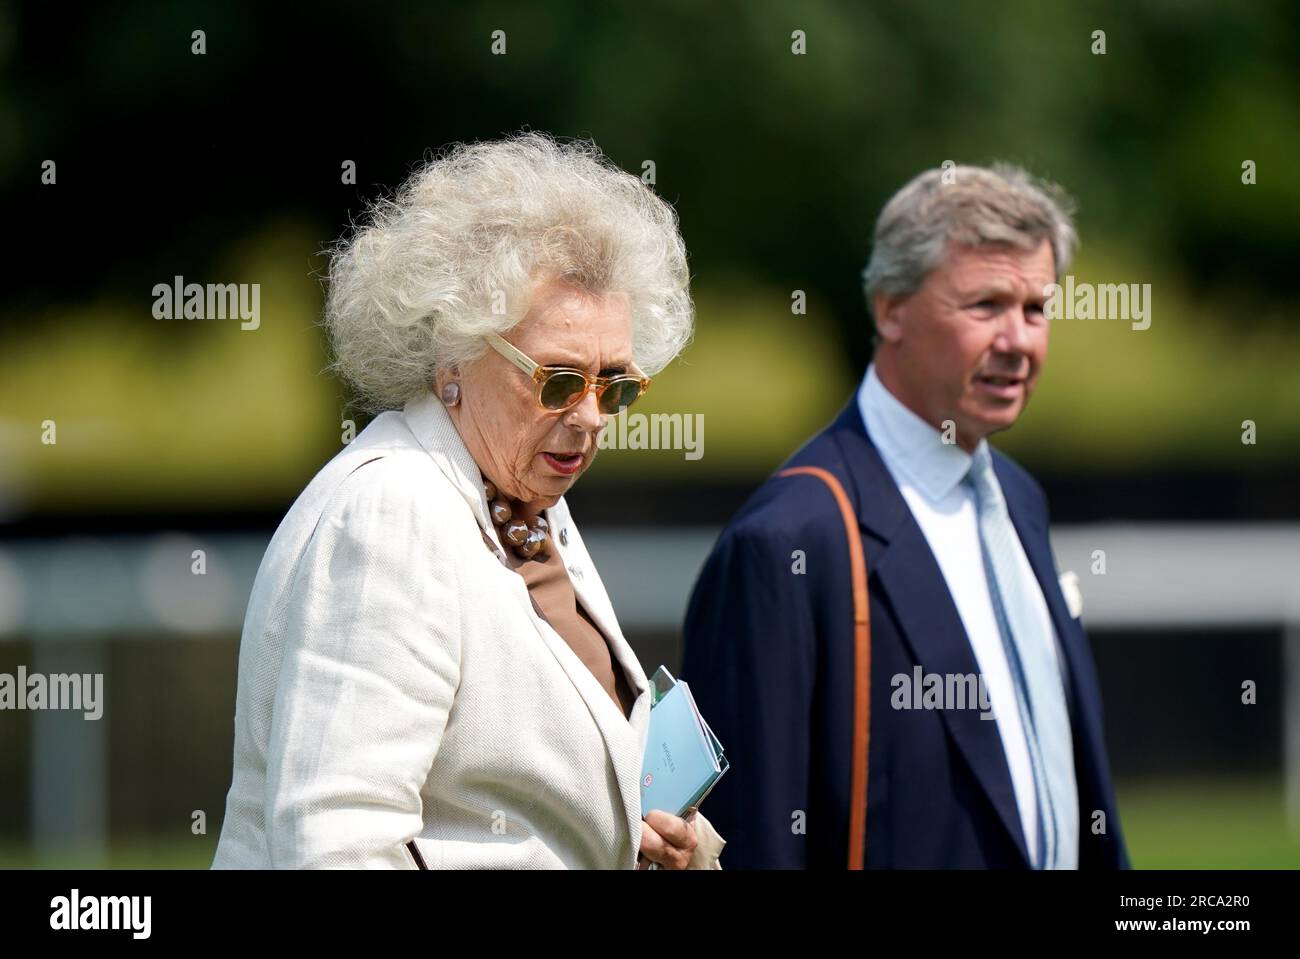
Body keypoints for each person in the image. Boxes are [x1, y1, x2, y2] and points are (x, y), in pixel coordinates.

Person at [212, 133, 723, 869]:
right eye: (556, 380)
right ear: (456, 355)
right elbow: (336, 844)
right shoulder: (392, 513)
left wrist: (635, 837)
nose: (587, 416)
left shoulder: (520, 494)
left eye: (614, 385)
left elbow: (507, 800)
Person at [682, 164, 1128, 869]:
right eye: (985, 304)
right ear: (891, 308)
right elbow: (754, 839)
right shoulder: (789, 539)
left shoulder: (1018, 500)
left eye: (1036, 309)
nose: (1018, 340)